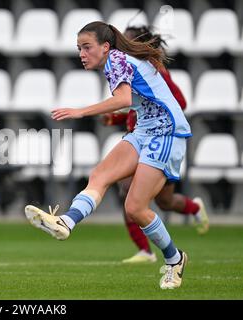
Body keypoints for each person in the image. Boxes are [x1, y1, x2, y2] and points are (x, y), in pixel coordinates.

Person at [24, 21, 191, 290]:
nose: (81, 53)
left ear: (105, 47)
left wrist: (80, 111)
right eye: (79, 48)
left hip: (166, 134)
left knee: (135, 208)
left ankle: (174, 259)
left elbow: (124, 99)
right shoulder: (117, 60)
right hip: (145, 129)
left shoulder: (115, 60)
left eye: (86, 47)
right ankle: (65, 222)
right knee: (99, 175)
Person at [100, 26, 209, 264]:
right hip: (138, 140)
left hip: (160, 142)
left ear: (136, 44)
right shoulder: (127, 67)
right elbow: (136, 105)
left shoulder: (156, 72)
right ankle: (145, 251)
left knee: (165, 202)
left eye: (125, 41)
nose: (119, 46)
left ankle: (194, 209)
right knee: (127, 190)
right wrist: (118, 118)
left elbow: (178, 102)